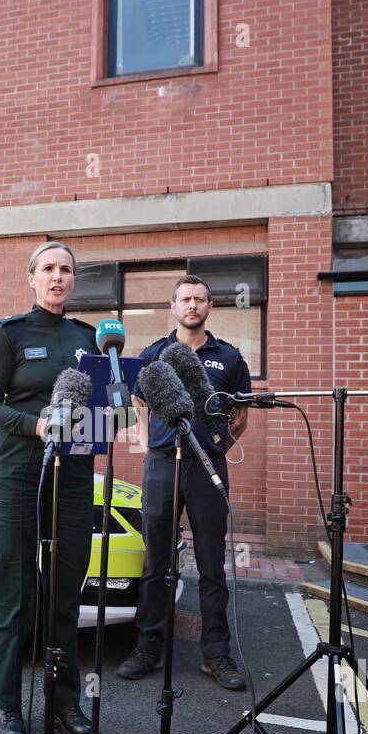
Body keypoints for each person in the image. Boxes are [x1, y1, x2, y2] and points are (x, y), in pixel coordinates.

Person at [0, 241, 97, 734]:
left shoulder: (90, 340)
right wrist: (35, 423)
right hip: (18, 474)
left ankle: (65, 700)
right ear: (31, 278)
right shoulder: (9, 335)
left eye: (66, 270)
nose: (57, 277)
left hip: (73, 476)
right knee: (16, 593)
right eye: (48, 268)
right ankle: (7, 706)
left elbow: (104, 406)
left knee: (65, 594)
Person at [116, 275, 252, 690]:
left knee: (212, 563)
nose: (192, 305)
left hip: (206, 466)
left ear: (210, 306)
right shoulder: (155, 354)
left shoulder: (228, 358)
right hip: (161, 464)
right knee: (156, 561)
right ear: (172, 307)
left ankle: (216, 652)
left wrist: (217, 447)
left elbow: (241, 416)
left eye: (199, 299)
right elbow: (138, 400)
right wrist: (145, 440)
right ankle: (148, 646)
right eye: (185, 299)